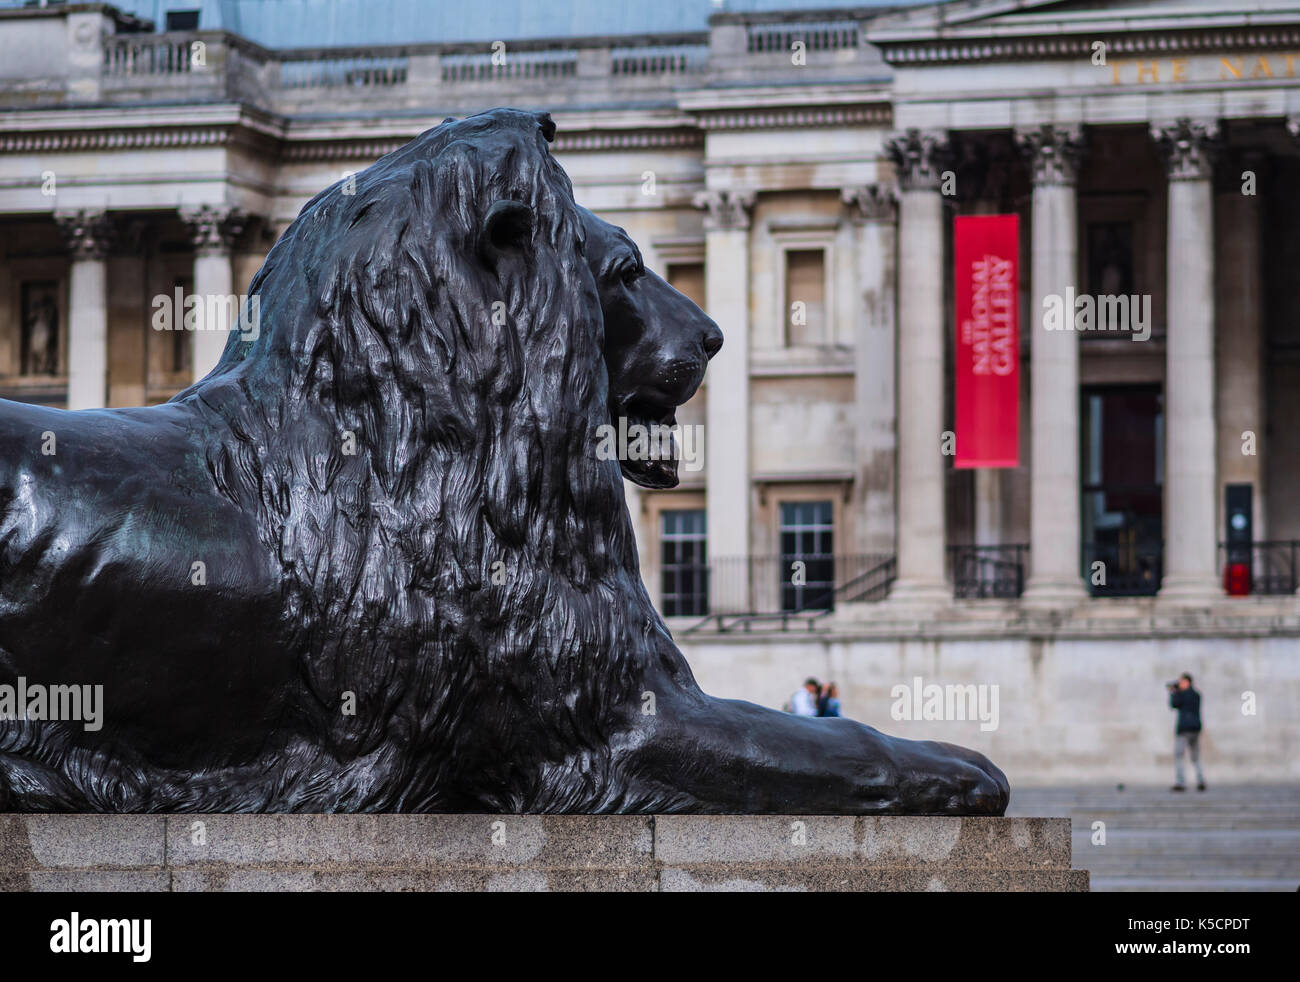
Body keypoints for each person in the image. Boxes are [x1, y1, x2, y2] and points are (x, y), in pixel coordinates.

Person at [1168, 672, 1206, 792]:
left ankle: (1181, 782)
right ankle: (1200, 780)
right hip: (1195, 728)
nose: (1180, 684)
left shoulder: (1185, 694)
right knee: (1195, 756)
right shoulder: (1196, 694)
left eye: (1181, 682)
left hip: (1184, 729)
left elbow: (1174, 704)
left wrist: (1174, 692)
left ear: (1187, 682)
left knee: (1179, 755)